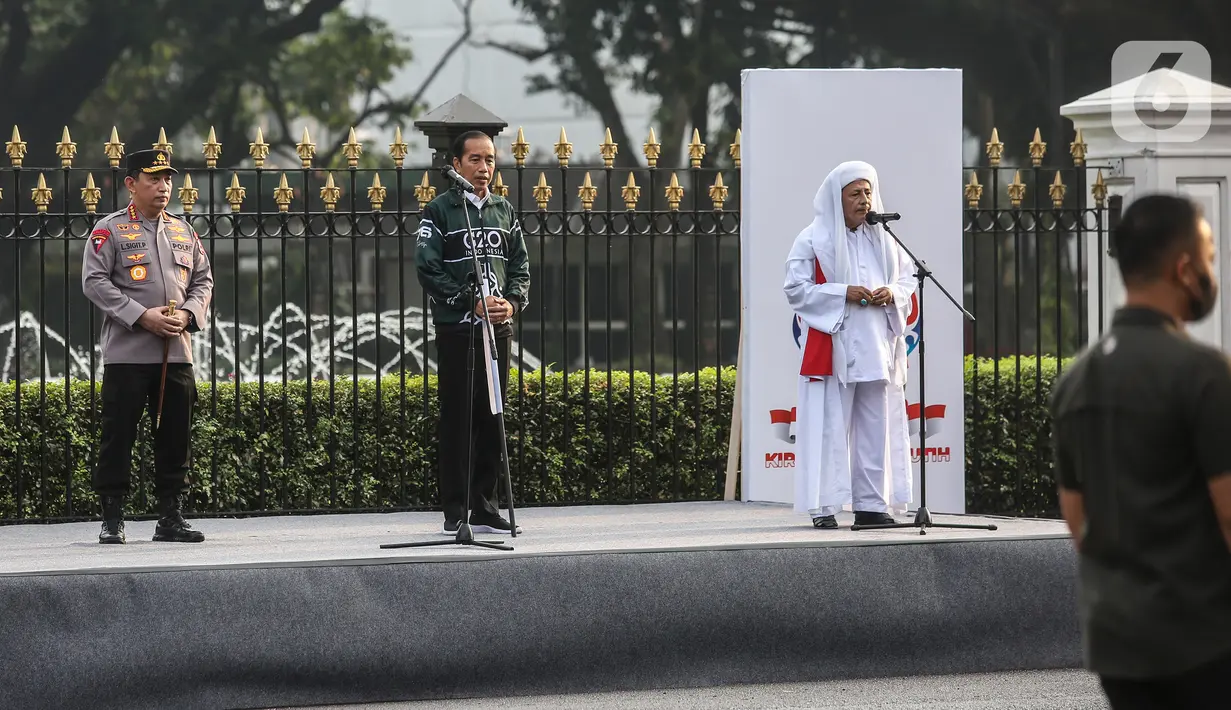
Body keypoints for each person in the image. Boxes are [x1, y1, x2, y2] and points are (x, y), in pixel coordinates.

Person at [1050, 193, 1231, 708]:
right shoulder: (1204, 373)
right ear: (1184, 268)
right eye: (1210, 257)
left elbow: (1078, 523)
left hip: (1117, 645)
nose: (1211, 270)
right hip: (1204, 641)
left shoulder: (1075, 381)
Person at [81, 148, 213, 544]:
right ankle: (112, 519)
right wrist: (142, 316)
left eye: (167, 179)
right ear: (131, 184)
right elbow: (94, 281)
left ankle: (170, 518)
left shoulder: (183, 230)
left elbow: (203, 281)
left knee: (176, 436)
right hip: (127, 354)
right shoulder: (110, 229)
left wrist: (188, 315)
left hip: (176, 353)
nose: (163, 186)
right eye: (154, 178)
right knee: (118, 435)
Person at [783, 160, 916, 529]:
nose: (864, 201)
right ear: (837, 199)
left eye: (868, 192)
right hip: (835, 351)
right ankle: (824, 507)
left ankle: (872, 506)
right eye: (855, 194)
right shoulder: (812, 238)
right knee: (830, 428)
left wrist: (891, 292)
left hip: (877, 348)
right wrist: (845, 293)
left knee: (876, 429)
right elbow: (795, 289)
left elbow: (908, 280)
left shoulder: (886, 240)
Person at [415, 130, 530, 535]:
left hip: (498, 333)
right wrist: (470, 300)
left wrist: (511, 303)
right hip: (458, 332)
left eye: (490, 160)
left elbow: (520, 267)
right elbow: (428, 268)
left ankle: (485, 504)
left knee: (491, 415)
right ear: (457, 164)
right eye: (476, 160)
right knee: (458, 417)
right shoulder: (439, 212)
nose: (485, 168)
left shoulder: (504, 210)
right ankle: (456, 506)